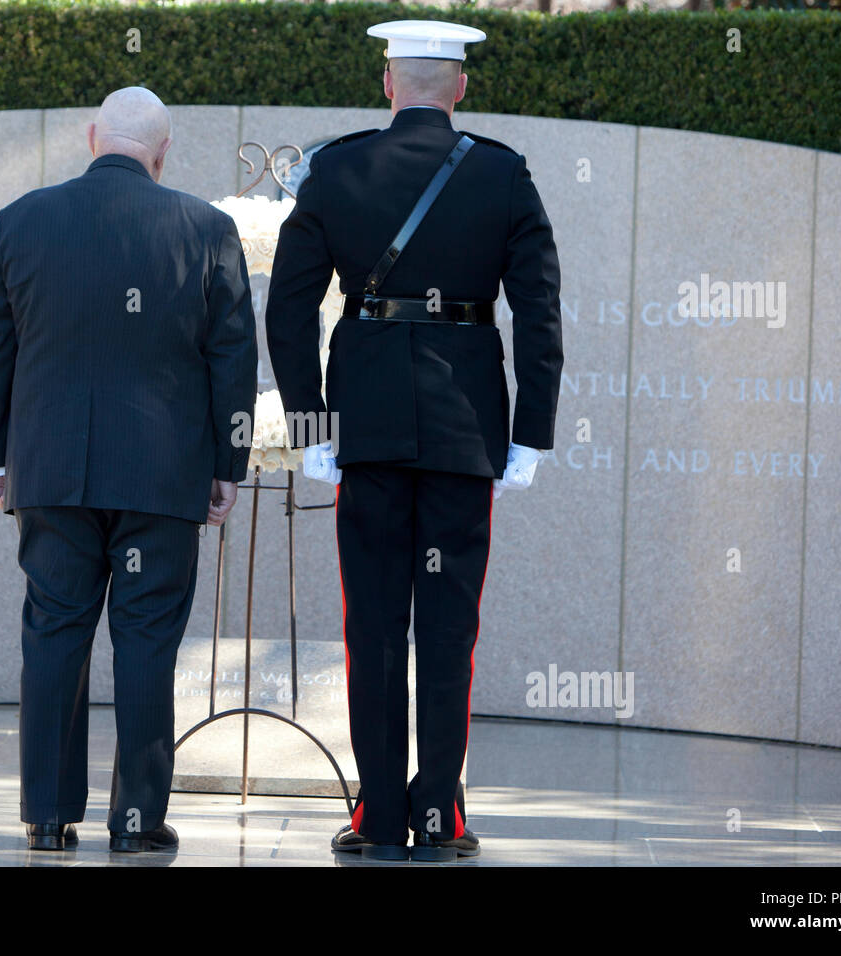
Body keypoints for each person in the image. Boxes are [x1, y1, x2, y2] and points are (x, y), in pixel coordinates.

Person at [265, 20, 564, 861]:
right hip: (467, 429)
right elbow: (538, 312)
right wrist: (530, 434)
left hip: (366, 427)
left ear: (388, 83)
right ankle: (441, 816)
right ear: (460, 87)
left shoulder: (336, 167)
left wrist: (312, 421)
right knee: (447, 628)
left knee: (373, 627)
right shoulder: (502, 174)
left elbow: (288, 307)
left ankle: (379, 817)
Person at [0, 86, 258, 853]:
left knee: (55, 632)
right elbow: (231, 358)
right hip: (162, 480)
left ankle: (48, 816)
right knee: (146, 641)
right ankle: (134, 822)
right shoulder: (206, 228)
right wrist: (228, 462)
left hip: (53, 473)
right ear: (162, 153)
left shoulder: (22, 220)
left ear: (92, 135)